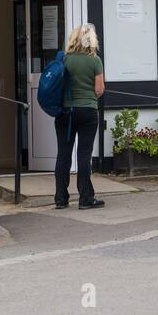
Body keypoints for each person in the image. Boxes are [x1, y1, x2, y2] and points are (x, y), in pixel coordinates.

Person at [55, 23, 105, 210]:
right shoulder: (95, 61)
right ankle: (85, 198)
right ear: (91, 40)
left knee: (63, 155)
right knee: (84, 155)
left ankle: (60, 199)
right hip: (87, 112)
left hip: (65, 113)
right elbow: (99, 90)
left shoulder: (64, 60)